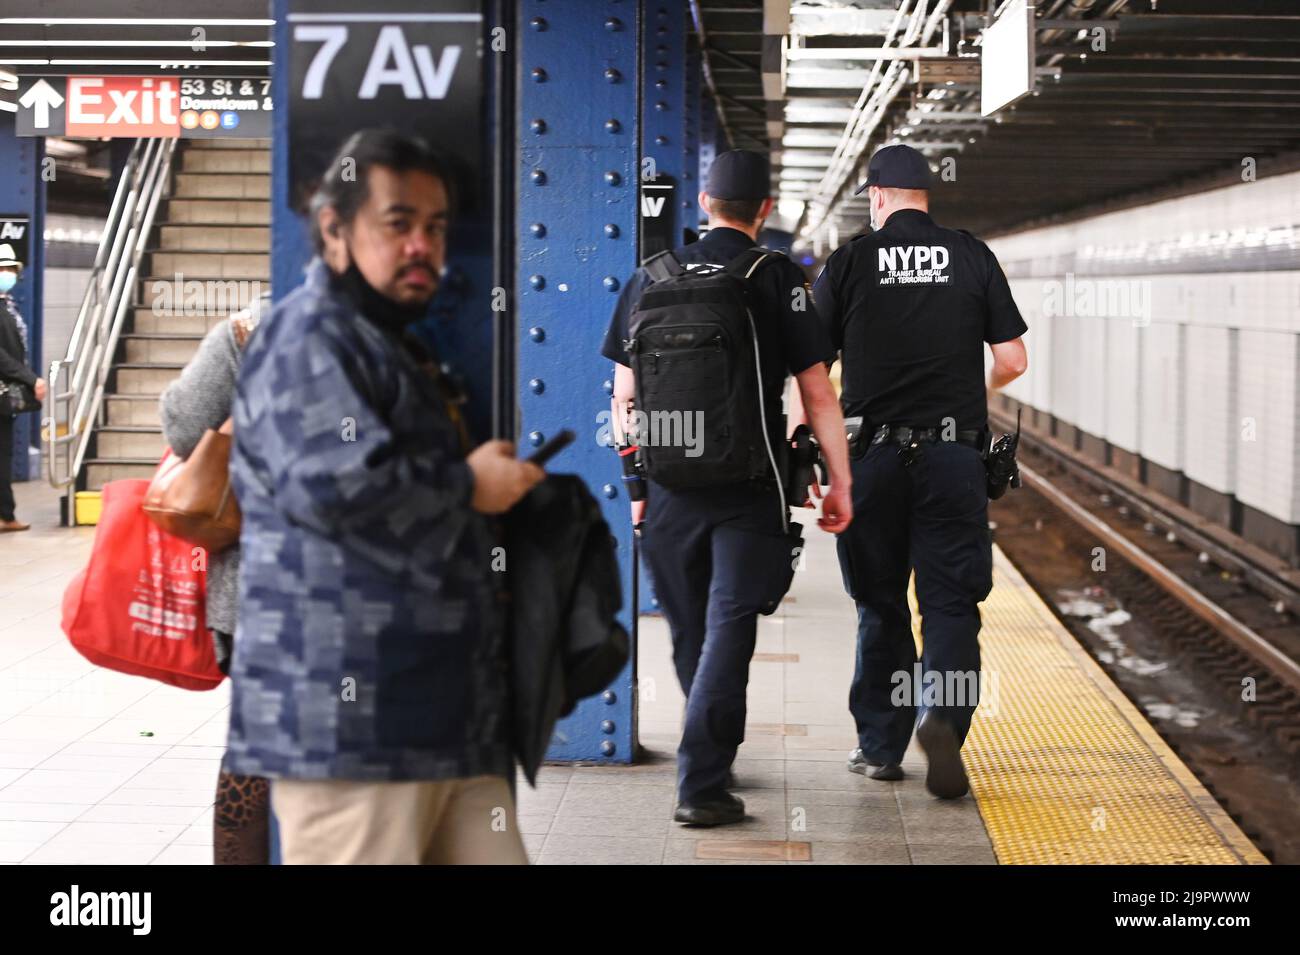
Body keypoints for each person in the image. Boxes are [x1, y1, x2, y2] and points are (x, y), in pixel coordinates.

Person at [224, 129, 544, 864]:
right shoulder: (308, 336)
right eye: (397, 224)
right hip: (353, 731)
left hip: (442, 715)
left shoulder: (386, 342)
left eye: (434, 228)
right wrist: (472, 483)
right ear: (335, 231)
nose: (421, 246)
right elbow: (337, 485)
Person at [603, 149, 853, 827]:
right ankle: (703, 782)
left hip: (668, 490)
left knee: (692, 633)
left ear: (704, 204)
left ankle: (706, 752)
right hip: (750, 485)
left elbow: (623, 401)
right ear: (764, 210)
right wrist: (839, 481)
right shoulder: (774, 275)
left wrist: (635, 485)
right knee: (728, 631)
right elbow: (817, 394)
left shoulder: (648, 276)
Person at [811, 143, 1028, 799]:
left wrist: (820, 457)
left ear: (876, 196)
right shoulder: (971, 255)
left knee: (880, 603)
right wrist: (971, 396)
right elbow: (1014, 358)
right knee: (951, 604)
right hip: (954, 459)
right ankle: (945, 720)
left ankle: (880, 746)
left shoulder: (848, 262)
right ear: (925, 196)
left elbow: (813, 371)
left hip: (872, 458)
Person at [159, 293, 270, 864]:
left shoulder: (250, 325)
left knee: (254, 749)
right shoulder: (411, 318)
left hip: (258, 591)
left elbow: (182, 427)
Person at [0, 244, 46, 533]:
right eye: (2, 269)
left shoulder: (8, 305)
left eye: (9, 269)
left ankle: (6, 513)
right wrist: (31, 379)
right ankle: (5, 514)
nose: (7, 274)